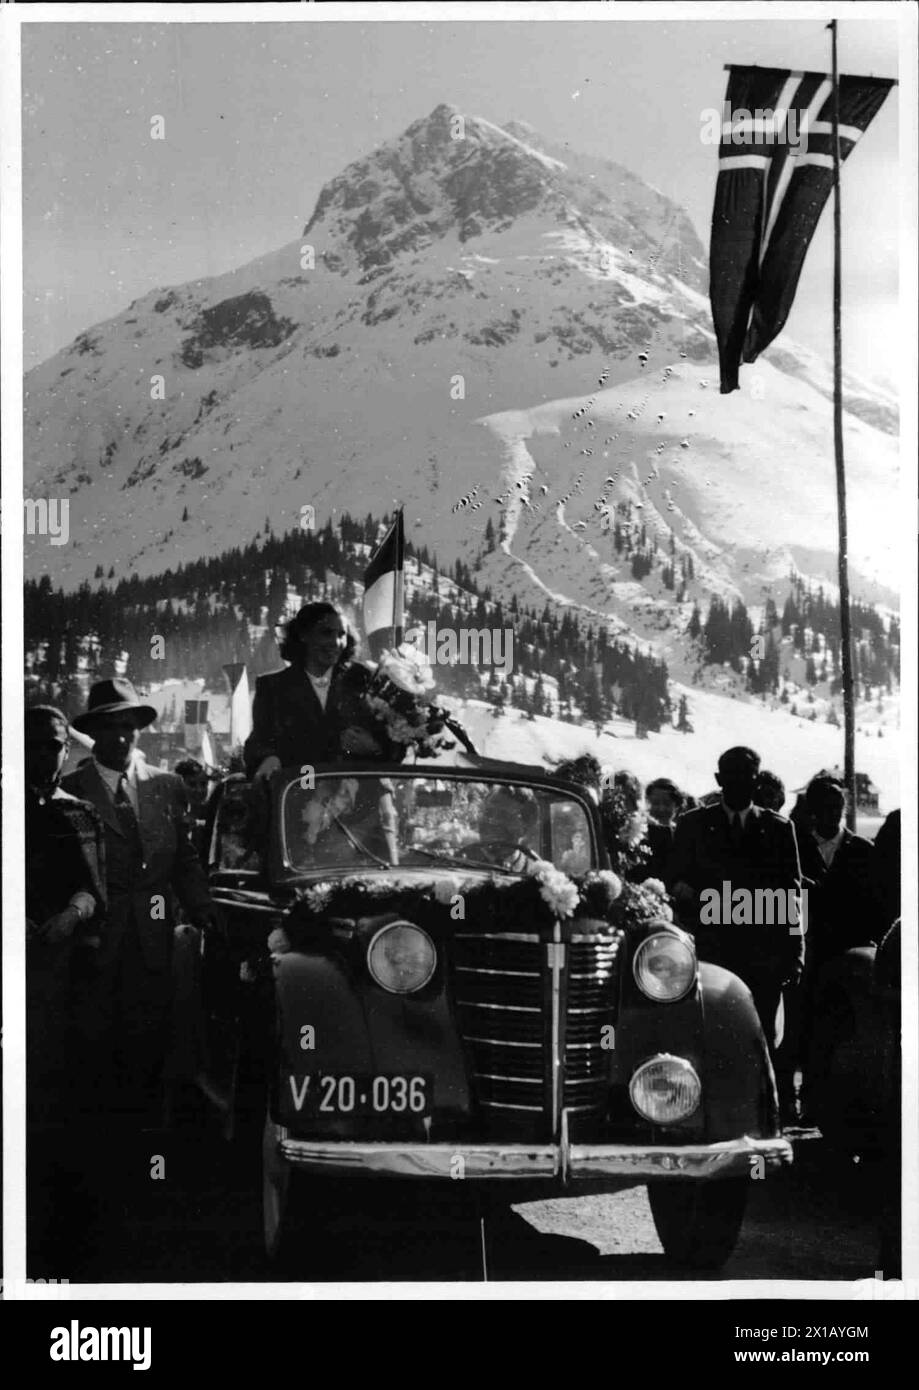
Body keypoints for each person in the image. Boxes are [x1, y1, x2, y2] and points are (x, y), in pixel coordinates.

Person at [62, 677, 220, 1127]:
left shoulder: (166, 787)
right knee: (96, 1036)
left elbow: (184, 859)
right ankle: (99, 1139)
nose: (121, 736)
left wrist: (203, 905)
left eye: (129, 725)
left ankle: (149, 1133)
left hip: (153, 937)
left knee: (150, 1036)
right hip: (95, 940)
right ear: (93, 732)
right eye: (110, 727)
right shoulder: (71, 790)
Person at [25, 706, 107, 1272]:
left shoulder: (77, 812)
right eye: (35, 743)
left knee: (60, 1092)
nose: (46, 753)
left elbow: (94, 891)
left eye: (55, 744)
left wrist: (72, 914)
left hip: (60, 968)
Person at [665, 746, 804, 1056]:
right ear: (719, 779)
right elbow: (672, 880)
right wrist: (685, 890)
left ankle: (768, 1104)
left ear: (757, 783)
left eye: (747, 778)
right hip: (710, 952)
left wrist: (795, 954)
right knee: (708, 1037)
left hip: (762, 957)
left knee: (762, 1041)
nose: (739, 784)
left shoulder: (779, 829)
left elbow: (791, 896)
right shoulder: (693, 825)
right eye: (731, 777)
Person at [243, 603, 396, 780]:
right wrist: (269, 758)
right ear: (303, 635)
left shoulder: (364, 679)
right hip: (301, 791)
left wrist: (375, 748)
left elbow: (395, 742)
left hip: (357, 795)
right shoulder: (272, 687)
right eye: (326, 633)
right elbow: (259, 742)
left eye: (341, 635)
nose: (336, 642)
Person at [643, 777, 684, 881]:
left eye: (667, 804)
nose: (661, 809)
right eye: (655, 803)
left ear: (677, 807)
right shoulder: (640, 833)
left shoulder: (682, 834)